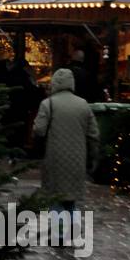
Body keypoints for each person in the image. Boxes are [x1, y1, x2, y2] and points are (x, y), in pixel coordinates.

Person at [32, 68, 101, 219]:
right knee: (71, 199)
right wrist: (92, 158)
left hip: (54, 159)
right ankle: (71, 232)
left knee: (55, 198)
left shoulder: (47, 104)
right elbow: (94, 135)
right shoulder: (83, 104)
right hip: (77, 159)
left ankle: (59, 235)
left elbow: (39, 130)